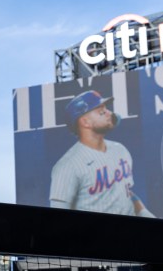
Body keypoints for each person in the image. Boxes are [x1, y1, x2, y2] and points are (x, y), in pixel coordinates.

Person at [50, 89, 155, 217]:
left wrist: (144, 213)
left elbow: (125, 192)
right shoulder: (66, 166)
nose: (109, 113)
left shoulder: (120, 149)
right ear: (85, 122)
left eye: (106, 109)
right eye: (101, 111)